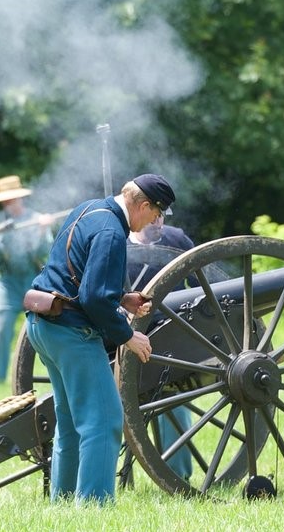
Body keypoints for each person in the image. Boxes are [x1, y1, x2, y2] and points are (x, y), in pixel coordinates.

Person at [25, 174, 173, 503]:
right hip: (71, 332)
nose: (156, 221)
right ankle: (92, 508)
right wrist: (127, 336)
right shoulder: (110, 231)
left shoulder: (89, 209)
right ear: (144, 205)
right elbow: (92, 298)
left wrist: (120, 298)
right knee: (105, 420)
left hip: (43, 324)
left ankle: (62, 504)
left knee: (70, 423)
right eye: (156, 213)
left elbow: (75, 273)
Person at [125, 207, 196, 477]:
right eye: (153, 217)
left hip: (171, 339)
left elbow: (201, 280)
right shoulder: (120, 245)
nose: (158, 222)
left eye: (162, 216)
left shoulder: (177, 240)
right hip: (129, 339)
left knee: (173, 402)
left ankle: (178, 474)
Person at [0, 175, 56, 385]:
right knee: (0, 330)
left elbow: (45, 251)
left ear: (20, 198)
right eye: (5, 200)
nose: (8, 203)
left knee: (43, 331)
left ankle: (53, 374)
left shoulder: (37, 218)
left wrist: (42, 229)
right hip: (7, 282)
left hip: (33, 282)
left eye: (11, 199)